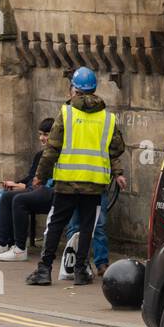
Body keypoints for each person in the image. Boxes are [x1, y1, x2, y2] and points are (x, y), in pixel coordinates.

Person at [26, 67, 126, 286]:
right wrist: (116, 171)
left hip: (67, 182)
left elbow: (52, 148)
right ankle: (81, 270)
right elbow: (117, 148)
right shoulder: (107, 118)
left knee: (56, 225)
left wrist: (40, 176)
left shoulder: (67, 113)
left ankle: (44, 270)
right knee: (88, 226)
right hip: (94, 184)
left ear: (75, 89)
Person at [0, 118, 53, 254]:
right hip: (26, 188)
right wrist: (16, 183)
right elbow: (31, 177)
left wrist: (22, 187)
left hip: (35, 192)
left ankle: (7, 240)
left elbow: (42, 184)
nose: (42, 138)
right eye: (40, 134)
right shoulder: (40, 155)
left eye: (46, 134)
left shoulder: (55, 156)